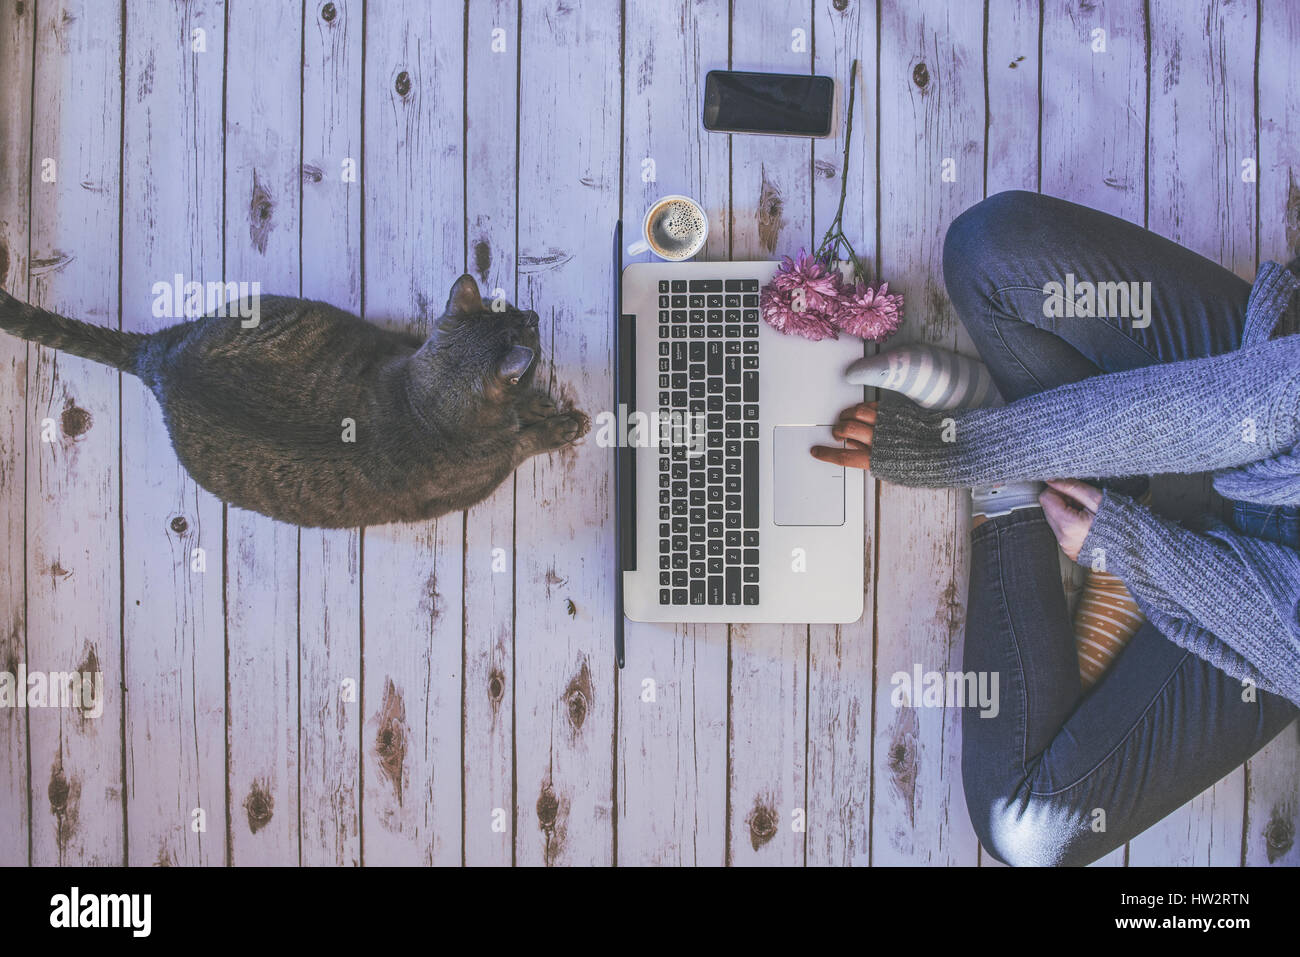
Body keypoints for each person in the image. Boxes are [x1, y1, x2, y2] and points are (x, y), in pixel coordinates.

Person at [810, 190, 1300, 866]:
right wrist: (955, 448)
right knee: (990, 250)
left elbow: (1284, 632)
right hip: (1251, 390)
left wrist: (1131, 544)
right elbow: (1211, 412)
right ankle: (1071, 467)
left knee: (1028, 826)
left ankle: (1019, 488)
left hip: (1266, 641)